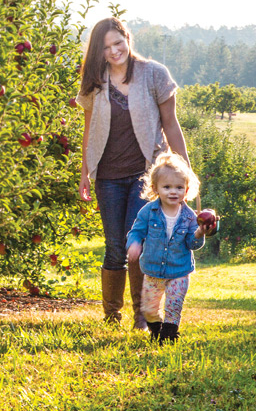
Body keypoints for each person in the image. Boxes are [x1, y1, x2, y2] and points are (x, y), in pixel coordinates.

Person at [75, 17, 190, 330]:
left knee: (136, 244)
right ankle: (111, 317)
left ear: (127, 38)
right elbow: (89, 129)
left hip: (145, 175)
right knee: (114, 247)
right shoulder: (95, 80)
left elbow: (171, 125)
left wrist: (184, 170)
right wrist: (85, 172)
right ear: (98, 52)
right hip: (108, 177)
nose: (114, 51)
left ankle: (141, 317)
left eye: (118, 42)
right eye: (106, 47)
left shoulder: (153, 74)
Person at [125, 153, 218, 342]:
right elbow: (136, 231)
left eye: (179, 187)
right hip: (152, 270)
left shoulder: (190, 216)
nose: (173, 192)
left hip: (179, 270)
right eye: (166, 187)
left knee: (174, 305)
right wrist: (134, 244)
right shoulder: (148, 212)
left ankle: (168, 337)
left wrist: (200, 233)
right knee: (149, 310)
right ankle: (156, 330)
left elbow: (192, 244)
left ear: (186, 189)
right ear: (155, 188)